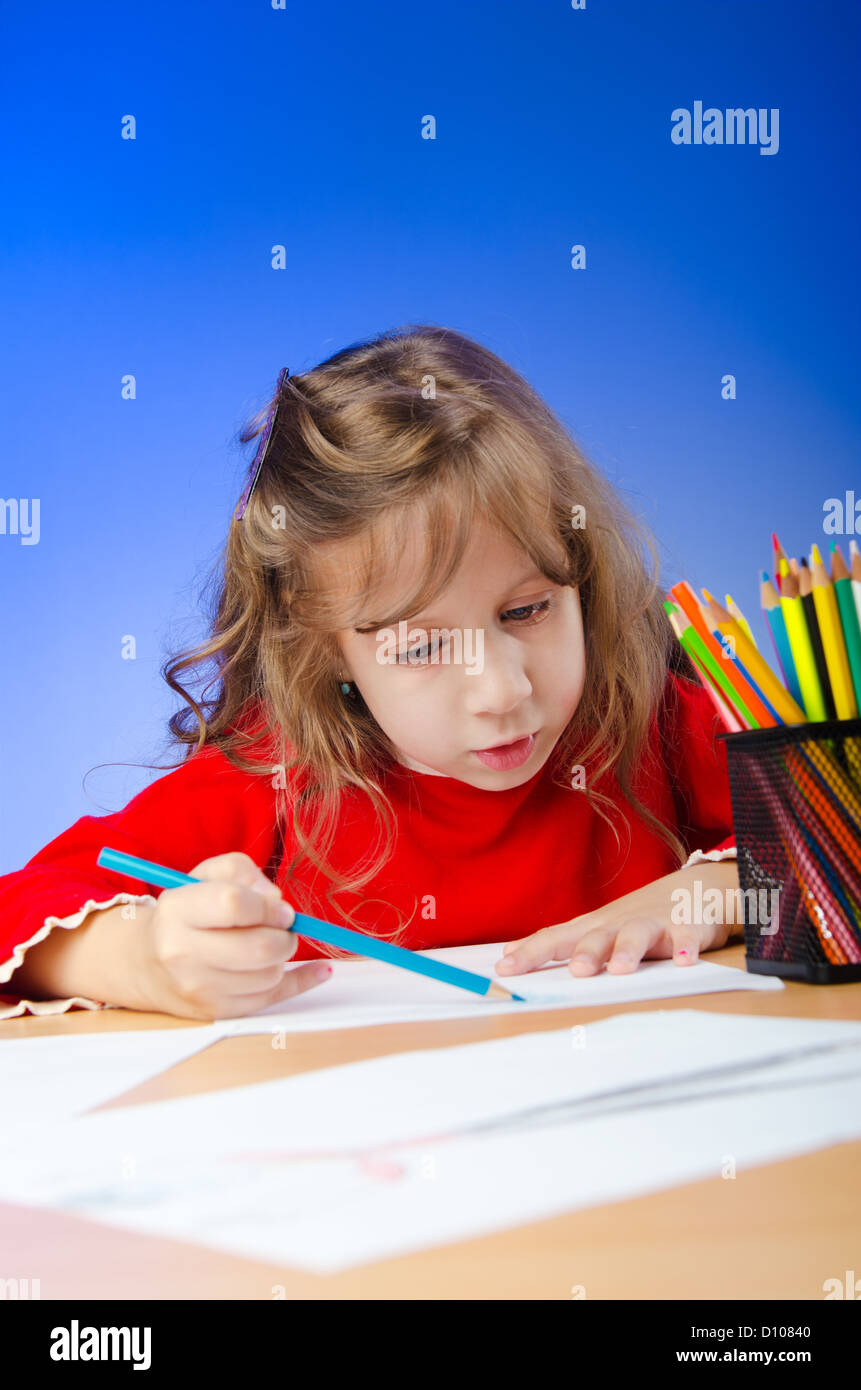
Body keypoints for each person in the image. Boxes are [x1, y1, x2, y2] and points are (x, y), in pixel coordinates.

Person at [0, 325, 740, 1021]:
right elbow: (19, 907)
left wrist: (712, 894)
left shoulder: (647, 719)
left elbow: (837, 832)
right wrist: (145, 959)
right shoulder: (279, 776)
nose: (503, 690)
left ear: (578, 575)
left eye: (526, 611)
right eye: (421, 650)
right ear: (327, 651)